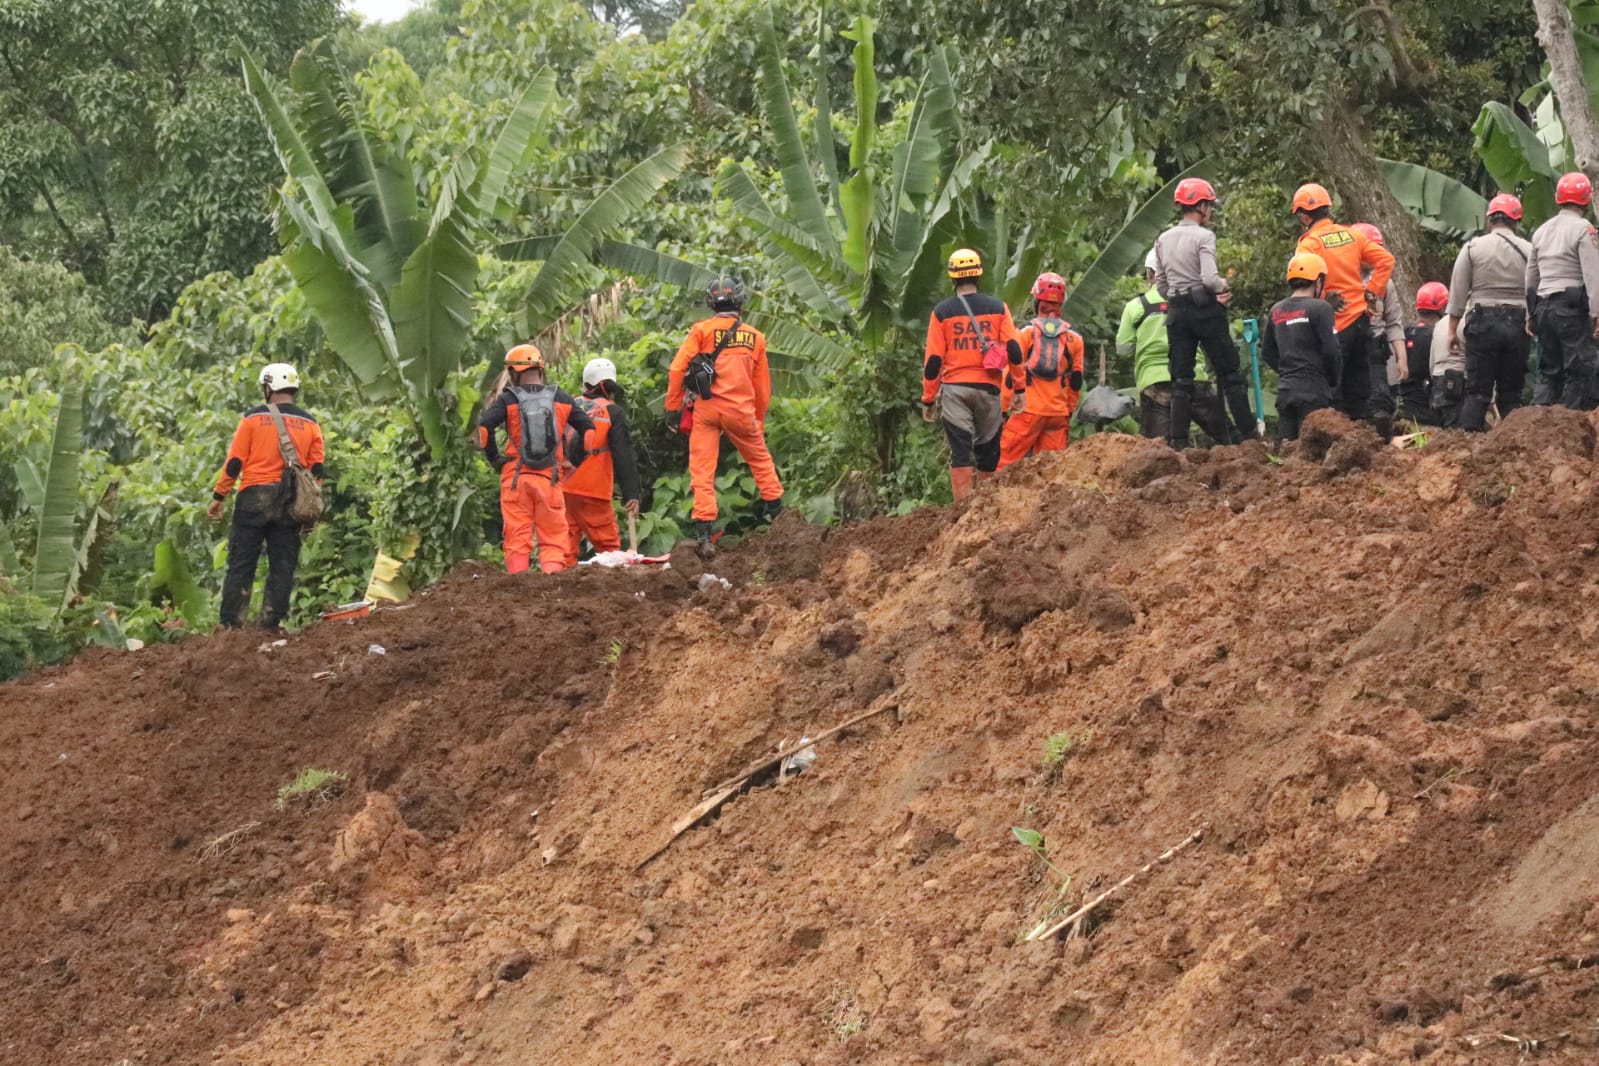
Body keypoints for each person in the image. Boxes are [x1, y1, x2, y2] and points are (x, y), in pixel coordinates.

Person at [666, 274, 783, 553]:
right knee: (761, 462)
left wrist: (672, 408)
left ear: (711, 302)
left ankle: (705, 537)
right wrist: (758, 419)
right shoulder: (756, 338)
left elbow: (676, 369)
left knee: (702, 470)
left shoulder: (701, 331)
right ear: (740, 299)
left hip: (706, 410)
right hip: (741, 411)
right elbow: (762, 388)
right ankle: (781, 521)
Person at [208, 362, 326, 630]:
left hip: (253, 496)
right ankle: (270, 624)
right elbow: (316, 469)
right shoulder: (310, 423)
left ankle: (232, 625)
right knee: (283, 564)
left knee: (241, 563)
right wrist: (310, 504)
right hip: (290, 501)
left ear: (269, 387)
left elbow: (235, 462)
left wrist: (219, 495)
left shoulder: (252, 418)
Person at [1152, 177, 1255, 446]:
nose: (1210, 210)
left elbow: (1161, 283)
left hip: (1176, 313)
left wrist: (1177, 297)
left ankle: (1178, 442)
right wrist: (1223, 286)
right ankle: (1250, 437)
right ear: (1200, 206)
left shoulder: (1163, 238)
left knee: (1181, 379)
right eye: (1208, 205)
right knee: (1230, 373)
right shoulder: (1204, 236)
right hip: (1205, 310)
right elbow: (1209, 279)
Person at [477, 344, 594, 574]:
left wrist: (495, 458)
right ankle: (551, 584)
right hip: (550, 478)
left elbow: (484, 427)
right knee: (553, 537)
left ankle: (519, 584)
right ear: (540, 369)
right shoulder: (561, 398)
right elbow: (588, 430)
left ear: (513, 372)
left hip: (516, 478)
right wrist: (575, 461)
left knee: (517, 535)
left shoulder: (508, 399)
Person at [1291, 182, 1396, 437]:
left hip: (1334, 326)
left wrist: (1323, 299)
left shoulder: (1309, 244)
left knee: (1333, 392)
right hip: (1361, 323)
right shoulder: (1352, 235)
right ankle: (1368, 442)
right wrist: (1371, 292)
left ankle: (1340, 443)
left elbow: (1304, 282)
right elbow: (1386, 260)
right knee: (1360, 393)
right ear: (1328, 208)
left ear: (1304, 215)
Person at [921, 248, 1024, 500]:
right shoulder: (998, 308)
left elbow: (934, 361)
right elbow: (1014, 349)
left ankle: (962, 508)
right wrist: (1019, 388)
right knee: (988, 452)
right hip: (989, 389)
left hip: (955, 389)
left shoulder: (942, 312)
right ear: (978, 275)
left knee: (961, 453)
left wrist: (928, 399)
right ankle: (985, 507)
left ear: (952, 277)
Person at [1117, 249, 1232, 444]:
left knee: (1158, 450)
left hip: (1155, 383)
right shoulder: (1197, 301)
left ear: (1151, 274)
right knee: (1230, 440)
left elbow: (1123, 350)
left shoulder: (1136, 307)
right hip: (1194, 377)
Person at [1447, 193, 1532, 429]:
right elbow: (1536, 289)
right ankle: (1515, 440)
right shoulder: (1529, 249)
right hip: (1518, 324)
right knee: (1512, 393)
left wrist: (1452, 330)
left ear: (1489, 220)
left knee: (1477, 392)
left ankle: (1468, 441)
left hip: (1482, 323)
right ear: (1516, 221)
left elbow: (1458, 292)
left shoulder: (1472, 247)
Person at [998, 272, 1085, 468]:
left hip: (1028, 412)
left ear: (1036, 300)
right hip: (1057, 414)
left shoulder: (1025, 333)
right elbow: (1076, 380)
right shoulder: (1075, 339)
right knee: (1051, 471)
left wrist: (1002, 410)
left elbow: (1010, 375)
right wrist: (1068, 411)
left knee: (1002, 465)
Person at [1527, 173, 1599, 409]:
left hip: (1543, 308)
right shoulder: (1584, 229)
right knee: (1580, 371)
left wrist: (1530, 314)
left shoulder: (1541, 231)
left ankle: (1536, 421)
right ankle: (1570, 423)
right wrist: (1597, 313)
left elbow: (1531, 278)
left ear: (1558, 198)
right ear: (1586, 199)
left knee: (1549, 373)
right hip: (1570, 310)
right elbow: (1592, 275)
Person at [562, 357, 642, 564]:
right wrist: (631, 493)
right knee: (609, 549)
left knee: (564, 547)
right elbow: (623, 455)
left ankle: (559, 581)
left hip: (563, 486)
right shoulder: (613, 412)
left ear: (585, 384)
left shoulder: (569, 405)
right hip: (593, 490)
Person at [1261, 253, 1341, 441]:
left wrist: (1287, 372)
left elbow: (1267, 353)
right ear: (1318, 281)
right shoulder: (1321, 308)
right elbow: (1332, 351)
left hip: (1286, 392)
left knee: (1287, 450)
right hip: (1314, 391)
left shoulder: (1276, 310)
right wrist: (1331, 380)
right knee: (1312, 450)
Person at [1351, 223, 1407, 405]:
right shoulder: (1338, 282)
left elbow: (1393, 323)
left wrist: (1402, 358)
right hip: (1349, 351)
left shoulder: (1385, 283)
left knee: (1381, 404)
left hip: (1377, 353)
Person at [1397, 282, 1449, 425]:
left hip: (1404, 406)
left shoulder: (1404, 333)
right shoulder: (1438, 335)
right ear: (1442, 308)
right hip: (1428, 411)